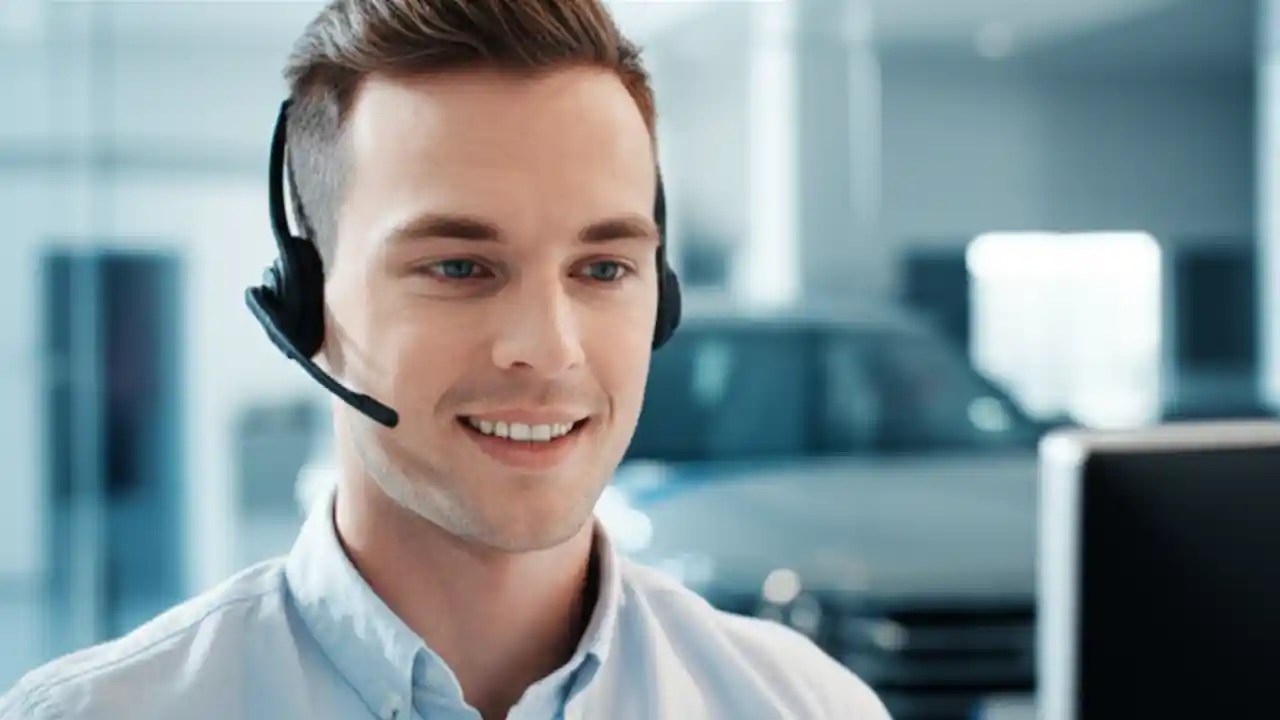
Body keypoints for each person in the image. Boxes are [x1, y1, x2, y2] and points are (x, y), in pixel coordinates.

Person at [0, 1, 890, 718]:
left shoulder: (805, 705)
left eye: (604, 267)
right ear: (302, 303)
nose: (548, 348)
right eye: (460, 267)